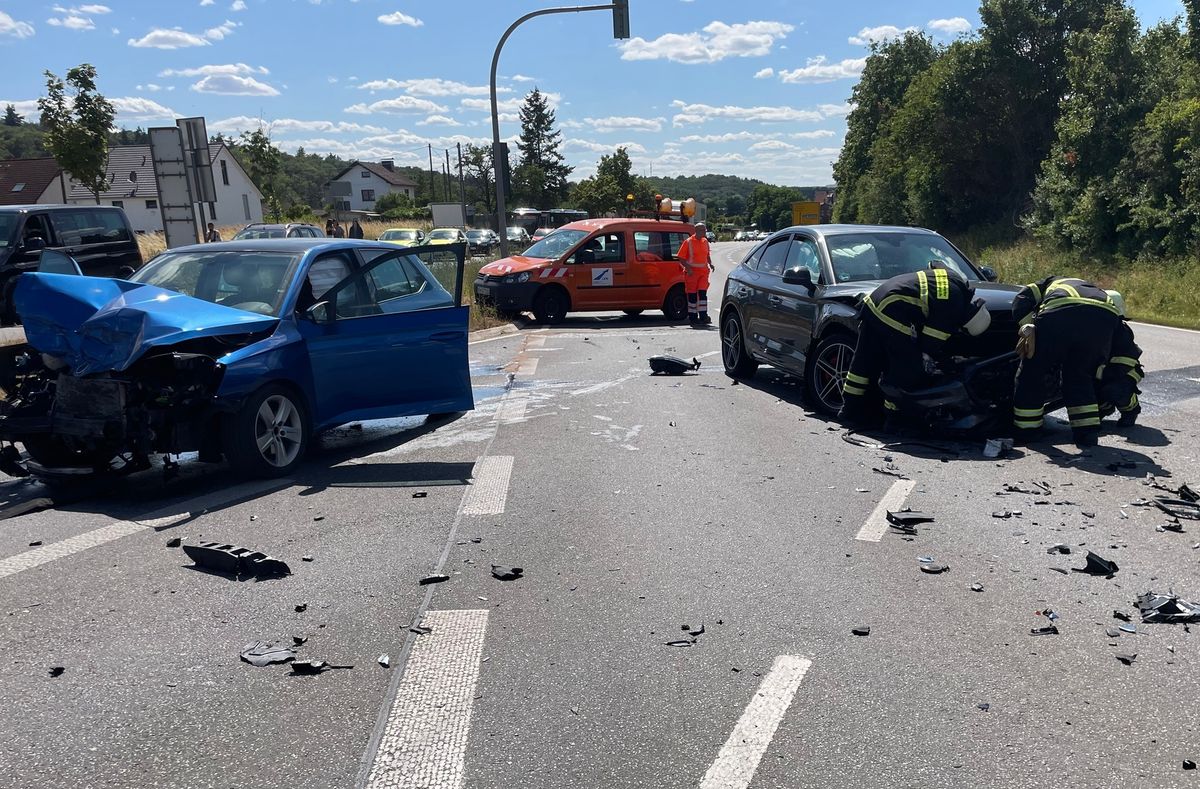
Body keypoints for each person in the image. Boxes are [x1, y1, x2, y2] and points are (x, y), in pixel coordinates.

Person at [839, 265, 991, 428]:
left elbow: (933, 266)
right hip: (892, 308)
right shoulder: (953, 309)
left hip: (876, 300)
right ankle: (894, 419)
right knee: (907, 367)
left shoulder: (956, 281)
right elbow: (928, 346)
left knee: (864, 360)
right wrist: (945, 361)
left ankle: (849, 410)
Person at [1010, 276, 1123, 447]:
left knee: (1032, 373)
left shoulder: (1047, 282)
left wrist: (1029, 327)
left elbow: (1022, 299)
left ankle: (1028, 431)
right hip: (1104, 319)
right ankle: (1087, 434)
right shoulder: (1089, 286)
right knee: (1080, 376)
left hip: (1063, 313)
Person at [1096, 290, 1143, 427]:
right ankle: (1105, 407)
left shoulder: (1122, 332)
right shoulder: (1093, 328)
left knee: (1115, 390)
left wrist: (1101, 375)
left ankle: (1131, 410)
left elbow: (1122, 363)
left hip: (1124, 372)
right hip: (1102, 372)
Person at [676, 222, 714, 326]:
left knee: (702, 295)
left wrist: (710, 263)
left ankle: (703, 316)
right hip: (691, 273)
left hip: (703, 272)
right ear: (696, 231)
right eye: (703, 230)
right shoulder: (688, 242)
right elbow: (681, 257)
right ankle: (693, 318)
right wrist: (688, 268)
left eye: (705, 230)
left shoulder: (705, 241)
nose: (705, 232)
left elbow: (707, 254)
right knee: (692, 296)